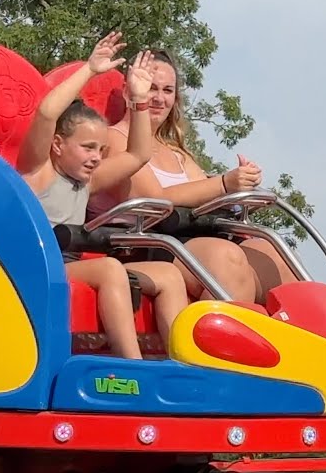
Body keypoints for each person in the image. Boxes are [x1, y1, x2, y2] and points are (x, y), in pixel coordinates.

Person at [16, 32, 189, 359]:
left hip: (71, 266)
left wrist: (138, 100)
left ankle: (184, 368)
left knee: (168, 274)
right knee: (109, 268)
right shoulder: (37, 171)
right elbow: (48, 113)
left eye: (101, 150)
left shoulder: (86, 182)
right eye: (87, 148)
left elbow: (138, 154)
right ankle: (134, 365)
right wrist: (91, 69)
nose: (97, 157)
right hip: (38, 266)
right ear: (57, 145)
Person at [92, 48, 297, 305]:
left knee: (274, 254)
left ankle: (303, 335)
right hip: (143, 243)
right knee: (226, 259)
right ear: (129, 90)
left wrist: (237, 194)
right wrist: (224, 183)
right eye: (150, 88)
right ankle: (222, 340)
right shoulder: (115, 140)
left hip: (186, 240)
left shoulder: (177, 153)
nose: (158, 98)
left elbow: (204, 195)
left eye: (167, 91)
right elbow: (157, 200)